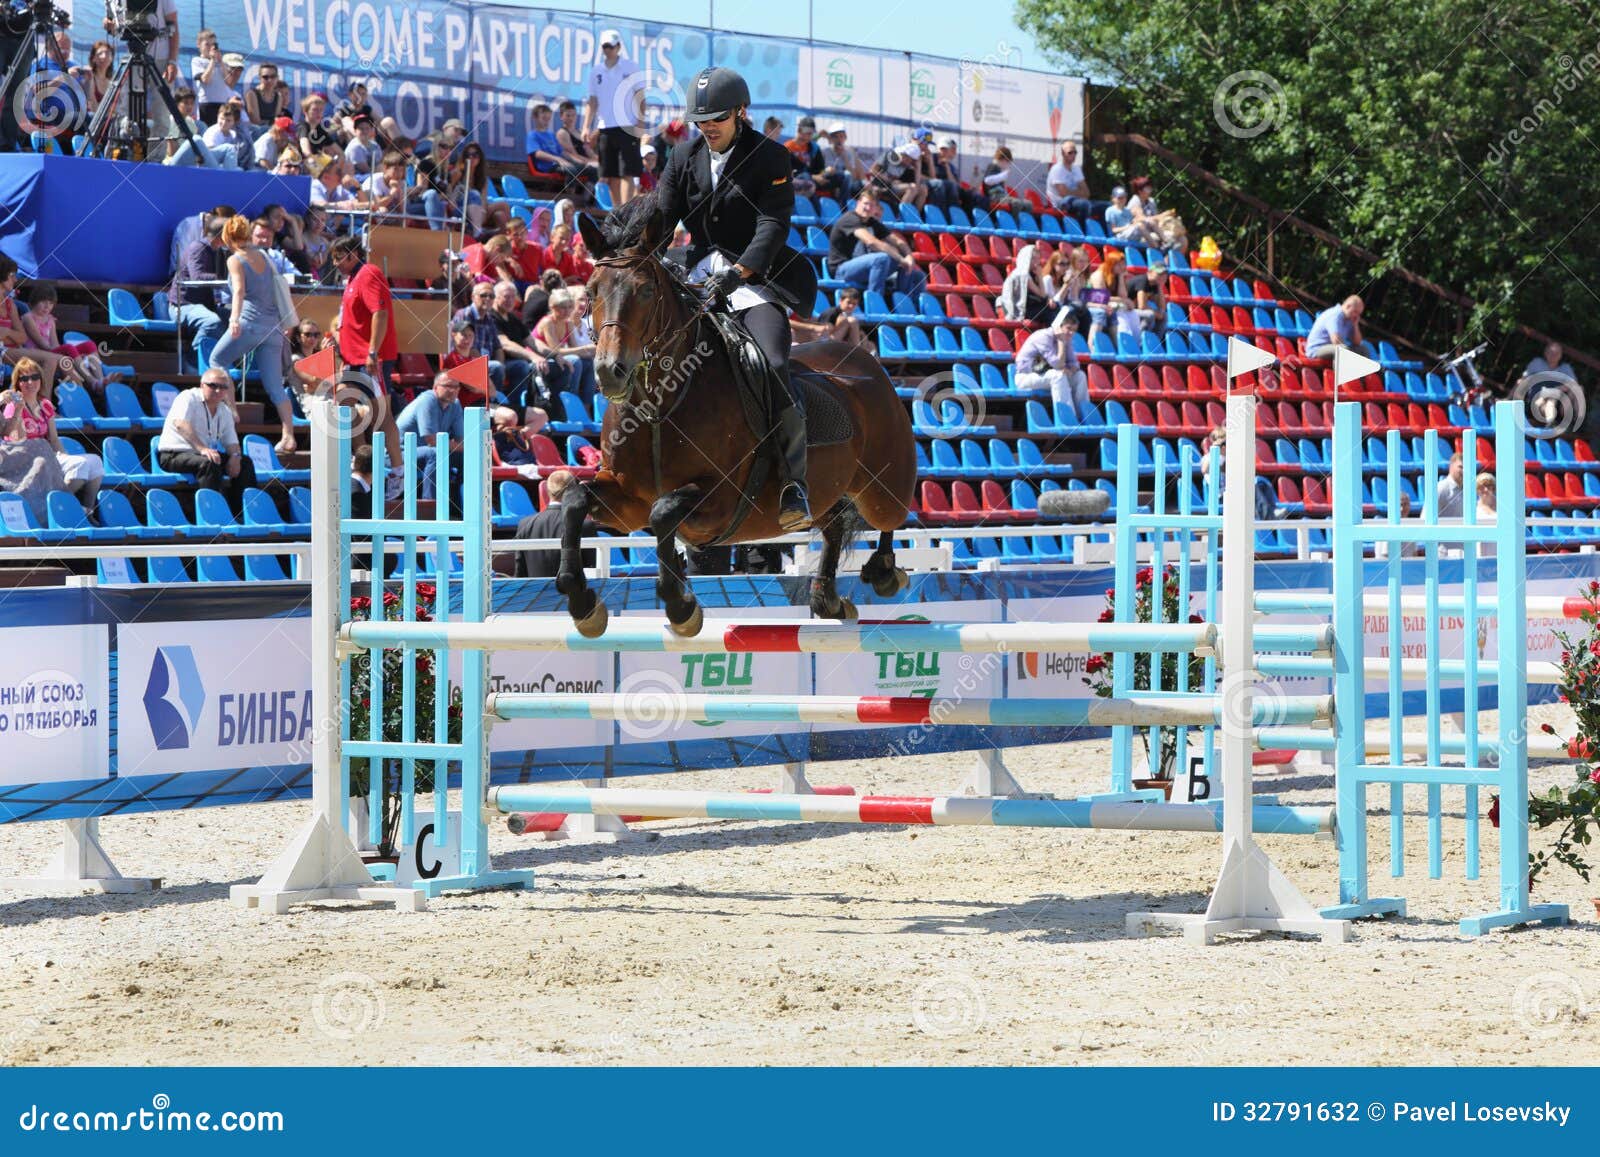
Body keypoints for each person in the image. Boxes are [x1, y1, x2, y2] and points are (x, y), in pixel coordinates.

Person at [631, 65, 821, 530]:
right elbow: (662, 215)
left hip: (754, 282)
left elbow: (773, 225)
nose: (707, 127)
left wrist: (740, 273)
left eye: (716, 117)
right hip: (696, 278)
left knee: (773, 364)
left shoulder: (771, 157)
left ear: (740, 112)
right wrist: (634, 253)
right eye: (701, 119)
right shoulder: (682, 156)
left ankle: (794, 480)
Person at [208, 215, 296, 453]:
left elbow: (238, 291)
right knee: (275, 386)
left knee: (216, 360)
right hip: (273, 328)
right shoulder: (265, 256)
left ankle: (232, 410)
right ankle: (289, 435)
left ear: (228, 238)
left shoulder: (235, 259)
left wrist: (234, 319)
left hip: (249, 323)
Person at [1, 357, 104, 514]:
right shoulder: (12, 406)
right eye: (24, 378)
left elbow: (54, 440)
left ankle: (86, 512)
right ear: (17, 382)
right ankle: (66, 509)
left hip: (47, 454)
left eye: (35, 377)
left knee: (95, 462)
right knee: (80, 465)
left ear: (41, 380)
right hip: (25, 460)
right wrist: (19, 409)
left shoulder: (45, 404)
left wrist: (64, 458)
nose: (30, 382)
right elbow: (17, 440)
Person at [332, 234, 402, 454]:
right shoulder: (353, 279)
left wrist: (373, 352)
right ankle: (362, 456)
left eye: (339, 258)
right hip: (354, 358)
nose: (335, 263)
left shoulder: (369, 273)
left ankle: (398, 471)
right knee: (343, 401)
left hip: (370, 357)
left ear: (354, 255)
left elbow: (379, 313)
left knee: (381, 414)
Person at [156, 370, 257, 510]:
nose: (218, 390)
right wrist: (202, 449)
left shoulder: (224, 410)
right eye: (213, 385)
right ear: (202, 385)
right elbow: (181, 424)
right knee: (209, 462)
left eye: (223, 387)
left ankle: (240, 514)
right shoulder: (188, 397)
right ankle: (213, 514)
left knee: (245, 463)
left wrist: (235, 456)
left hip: (199, 455)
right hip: (173, 454)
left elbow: (231, 441)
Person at [582, 29, 643, 208]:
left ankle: (625, 209)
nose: (608, 49)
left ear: (618, 46)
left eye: (611, 45)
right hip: (606, 127)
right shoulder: (596, 71)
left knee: (628, 172)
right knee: (610, 175)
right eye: (605, 46)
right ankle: (617, 212)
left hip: (627, 125)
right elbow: (592, 101)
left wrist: (640, 122)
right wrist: (586, 126)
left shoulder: (631, 67)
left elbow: (640, 95)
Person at [827, 187, 925, 298]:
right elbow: (871, 242)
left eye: (872, 205)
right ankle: (875, 301)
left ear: (875, 209)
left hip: (862, 267)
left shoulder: (871, 222)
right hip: (841, 269)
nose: (868, 208)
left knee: (917, 275)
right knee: (881, 258)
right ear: (858, 203)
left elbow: (898, 241)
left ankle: (902, 303)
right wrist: (901, 259)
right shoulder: (850, 219)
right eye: (865, 203)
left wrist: (909, 257)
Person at [170, 216, 229, 371]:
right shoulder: (198, 248)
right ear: (223, 235)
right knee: (212, 322)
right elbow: (197, 277)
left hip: (204, 305)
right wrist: (225, 279)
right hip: (183, 305)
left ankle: (228, 365)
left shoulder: (218, 252)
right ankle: (192, 361)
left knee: (237, 320)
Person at [395, 373, 463, 500]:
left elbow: (461, 440)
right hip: (399, 453)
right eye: (448, 386)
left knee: (467, 457)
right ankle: (430, 506)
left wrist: (466, 449)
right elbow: (431, 440)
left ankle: (464, 503)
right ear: (435, 387)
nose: (453, 390)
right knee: (435, 454)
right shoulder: (427, 400)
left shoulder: (455, 404)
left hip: (424, 451)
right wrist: (462, 446)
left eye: (456, 387)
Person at [513, 468, 592, 578]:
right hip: (572, 593)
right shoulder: (585, 525)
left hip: (534, 593)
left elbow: (519, 572)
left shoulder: (524, 524)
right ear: (573, 491)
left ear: (547, 490)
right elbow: (593, 569)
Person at [534, 288, 597, 410]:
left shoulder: (568, 323)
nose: (567, 311)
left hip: (558, 359)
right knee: (574, 360)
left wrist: (592, 352)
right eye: (562, 307)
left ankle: (585, 406)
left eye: (569, 307)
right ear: (552, 307)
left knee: (590, 362)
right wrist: (587, 348)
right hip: (542, 359)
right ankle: (569, 403)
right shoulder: (548, 322)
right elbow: (554, 351)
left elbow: (574, 348)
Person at [1015, 314, 1089, 416]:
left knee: (1080, 376)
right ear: (1058, 326)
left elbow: (1075, 363)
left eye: (1074, 330)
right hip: (1026, 377)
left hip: (1046, 377)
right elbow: (1058, 365)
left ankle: (1083, 416)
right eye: (1068, 328)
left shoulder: (1067, 338)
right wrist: (1061, 341)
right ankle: (1067, 417)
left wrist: (1071, 370)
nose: (1071, 333)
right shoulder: (1043, 336)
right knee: (1058, 375)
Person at [526, 100, 596, 185]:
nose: (546, 121)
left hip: (560, 164)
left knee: (590, 169)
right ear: (535, 117)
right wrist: (558, 159)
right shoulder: (532, 135)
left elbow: (562, 151)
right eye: (544, 118)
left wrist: (575, 160)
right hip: (548, 166)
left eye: (548, 119)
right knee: (571, 169)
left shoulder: (551, 134)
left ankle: (589, 194)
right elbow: (538, 153)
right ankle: (569, 191)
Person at [794, 286, 871, 350]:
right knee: (852, 321)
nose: (851, 306)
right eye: (849, 302)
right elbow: (823, 332)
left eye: (854, 304)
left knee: (870, 344)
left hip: (843, 342)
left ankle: (864, 354)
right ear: (841, 300)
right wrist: (839, 324)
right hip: (826, 344)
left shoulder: (849, 315)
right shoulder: (832, 312)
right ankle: (857, 352)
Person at [1085, 250, 1136, 344]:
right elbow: (1101, 298)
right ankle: (1121, 343)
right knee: (1119, 308)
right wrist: (1124, 301)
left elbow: (1123, 295)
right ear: (1111, 264)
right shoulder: (1099, 275)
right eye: (1119, 265)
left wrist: (1121, 277)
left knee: (1133, 313)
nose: (1122, 267)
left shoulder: (1117, 275)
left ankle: (1134, 343)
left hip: (1108, 304)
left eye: (1123, 264)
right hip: (1093, 304)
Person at [998, 243, 1054, 325]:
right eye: (1033, 259)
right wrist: (1040, 276)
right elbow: (1042, 294)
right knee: (1050, 311)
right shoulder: (1022, 274)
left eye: (1038, 259)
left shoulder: (1029, 273)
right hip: (1019, 309)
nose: (1036, 262)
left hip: (1028, 306)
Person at [1305, 295, 1370, 360]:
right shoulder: (1335, 315)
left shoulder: (1349, 319)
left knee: (1363, 350)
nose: (1356, 316)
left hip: (1335, 348)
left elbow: (1357, 343)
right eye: (1355, 312)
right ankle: (1340, 370)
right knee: (1343, 349)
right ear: (1348, 306)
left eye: (1359, 314)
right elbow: (1336, 341)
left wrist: (1355, 325)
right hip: (1317, 349)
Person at [190, 29, 231, 125]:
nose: (210, 48)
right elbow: (205, 79)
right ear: (199, 45)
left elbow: (229, 82)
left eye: (213, 45)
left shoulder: (222, 63)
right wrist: (212, 61)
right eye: (207, 44)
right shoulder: (197, 61)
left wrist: (220, 62)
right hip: (206, 103)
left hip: (222, 103)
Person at [1047, 141, 1093, 223]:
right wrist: (1079, 192)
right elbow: (1063, 193)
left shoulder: (1076, 169)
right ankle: (1082, 232)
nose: (1073, 155)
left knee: (1105, 206)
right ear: (1062, 153)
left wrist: (1071, 192)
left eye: (1075, 152)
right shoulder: (1057, 169)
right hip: (1059, 203)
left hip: (1076, 201)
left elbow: (1087, 192)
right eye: (1070, 152)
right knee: (1084, 205)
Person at [819, 122, 865, 203]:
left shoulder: (848, 152)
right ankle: (843, 204)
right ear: (831, 139)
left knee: (859, 183)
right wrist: (827, 171)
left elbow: (853, 175)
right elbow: (818, 170)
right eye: (835, 137)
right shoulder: (825, 152)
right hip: (830, 179)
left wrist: (844, 156)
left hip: (844, 182)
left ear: (845, 138)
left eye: (841, 136)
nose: (839, 139)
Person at [1125, 260, 1169, 338]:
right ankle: (1140, 341)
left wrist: (1160, 286)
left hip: (1133, 310)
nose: (1162, 277)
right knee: (1149, 315)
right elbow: (1142, 306)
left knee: (1164, 315)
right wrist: (1157, 314)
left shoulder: (1155, 284)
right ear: (1149, 272)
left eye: (1164, 275)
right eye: (1159, 274)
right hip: (1124, 310)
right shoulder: (1143, 281)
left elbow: (1162, 307)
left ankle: (1155, 342)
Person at [244, 61, 289, 131]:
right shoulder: (252, 94)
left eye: (273, 76)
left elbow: (276, 119)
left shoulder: (278, 96)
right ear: (259, 78)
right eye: (265, 77)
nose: (269, 80)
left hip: (271, 133)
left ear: (277, 77)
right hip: (256, 133)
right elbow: (255, 121)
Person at [343, 112, 382, 177]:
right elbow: (365, 170)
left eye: (367, 128)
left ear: (372, 130)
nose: (365, 131)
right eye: (361, 129)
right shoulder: (355, 147)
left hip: (372, 176)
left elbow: (381, 163)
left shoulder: (375, 145)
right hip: (357, 178)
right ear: (355, 131)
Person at [1435, 452, 1465, 518]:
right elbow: (1426, 518)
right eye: (1461, 467)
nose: (1464, 471)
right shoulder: (1440, 488)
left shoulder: (1468, 490)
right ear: (1451, 467)